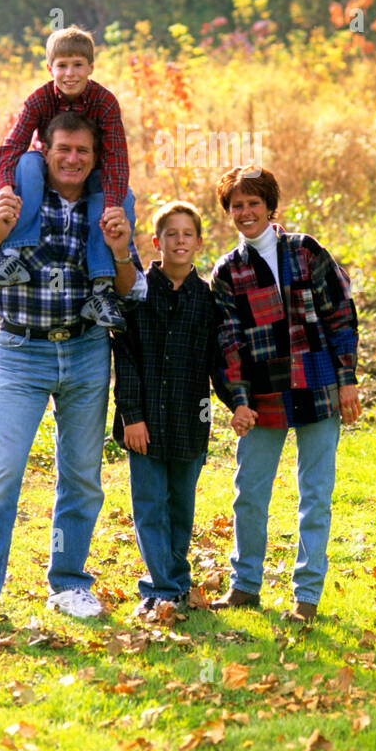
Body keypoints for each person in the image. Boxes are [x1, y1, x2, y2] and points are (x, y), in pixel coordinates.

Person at [0, 111, 146, 631]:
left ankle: (69, 582)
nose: (73, 160)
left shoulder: (110, 201)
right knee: (4, 469)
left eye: (83, 151)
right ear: (45, 149)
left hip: (84, 352)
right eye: (64, 150)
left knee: (81, 475)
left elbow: (132, 291)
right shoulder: (13, 193)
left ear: (96, 156)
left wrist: (122, 252)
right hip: (21, 351)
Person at [209, 165, 361, 622]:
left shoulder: (306, 250)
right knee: (249, 493)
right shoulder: (227, 272)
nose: (245, 211)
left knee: (315, 493)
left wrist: (348, 378)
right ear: (228, 213)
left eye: (254, 203)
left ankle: (307, 596)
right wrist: (237, 401)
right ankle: (245, 586)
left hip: (317, 385)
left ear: (270, 206)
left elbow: (340, 313)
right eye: (237, 205)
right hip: (262, 398)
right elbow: (227, 344)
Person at [110, 201, 232, 619]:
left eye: (187, 234)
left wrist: (238, 403)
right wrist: (131, 415)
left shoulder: (208, 301)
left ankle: (174, 583)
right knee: (148, 507)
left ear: (199, 242)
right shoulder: (137, 293)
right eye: (171, 234)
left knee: (181, 506)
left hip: (189, 422)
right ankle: (163, 587)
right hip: (142, 423)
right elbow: (124, 355)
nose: (179, 241)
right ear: (156, 241)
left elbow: (219, 362)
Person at [0, 24, 135, 332]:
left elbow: (116, 156)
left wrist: (114, 204)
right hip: (48, 169)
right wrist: (6, 188)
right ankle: (12, 255)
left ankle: (101, 289)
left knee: (122, 197)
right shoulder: (38, 99)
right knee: (26, 163)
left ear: (91, 67)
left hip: (91, 170)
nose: (70, 73)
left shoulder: (105, 102)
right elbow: (12, 145)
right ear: (50, 68)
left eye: (78, 64)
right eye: (62, 65)